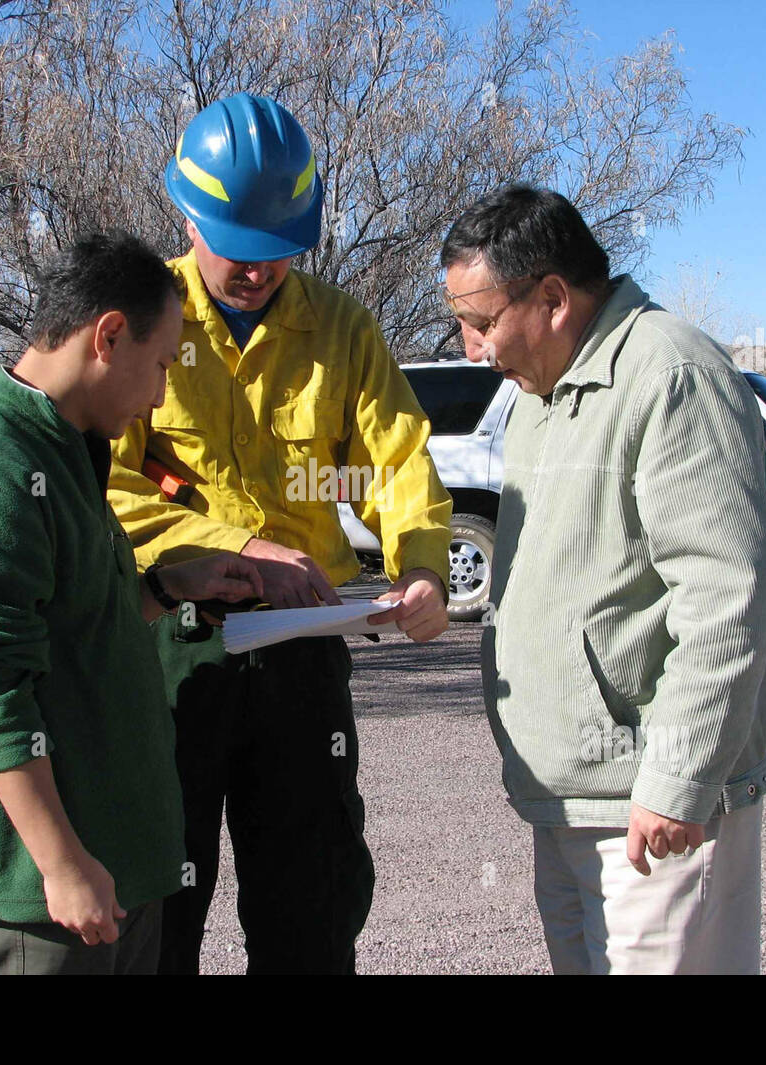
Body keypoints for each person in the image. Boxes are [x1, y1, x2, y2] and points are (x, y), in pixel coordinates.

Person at [107, 93, 452, 974]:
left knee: (311, 905)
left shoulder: (342, 328)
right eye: (239, 249)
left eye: (280, 249)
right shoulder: (143, 324)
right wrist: (239, 548)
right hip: (171, 646)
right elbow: (104, 488)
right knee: (154, 903)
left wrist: (421, 569)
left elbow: (397, 465)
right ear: (187, 217)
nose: (260, 271)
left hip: (303, 655)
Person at [0, 231, 263, 975]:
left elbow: (72, 624)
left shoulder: (62, 448)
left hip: (100, 874)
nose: (160, 393)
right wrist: (60, 864)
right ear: (109, 336)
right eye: (159, 365)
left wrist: (168, 586)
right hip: (39, 900)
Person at [440, 184, 766, 975]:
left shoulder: (671, 373)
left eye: (483, 322)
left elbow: (728, 592)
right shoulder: (536, 394)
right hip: (569, 797)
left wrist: (678, 780)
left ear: (554, 298)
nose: (470, 347)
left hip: (651, 805)